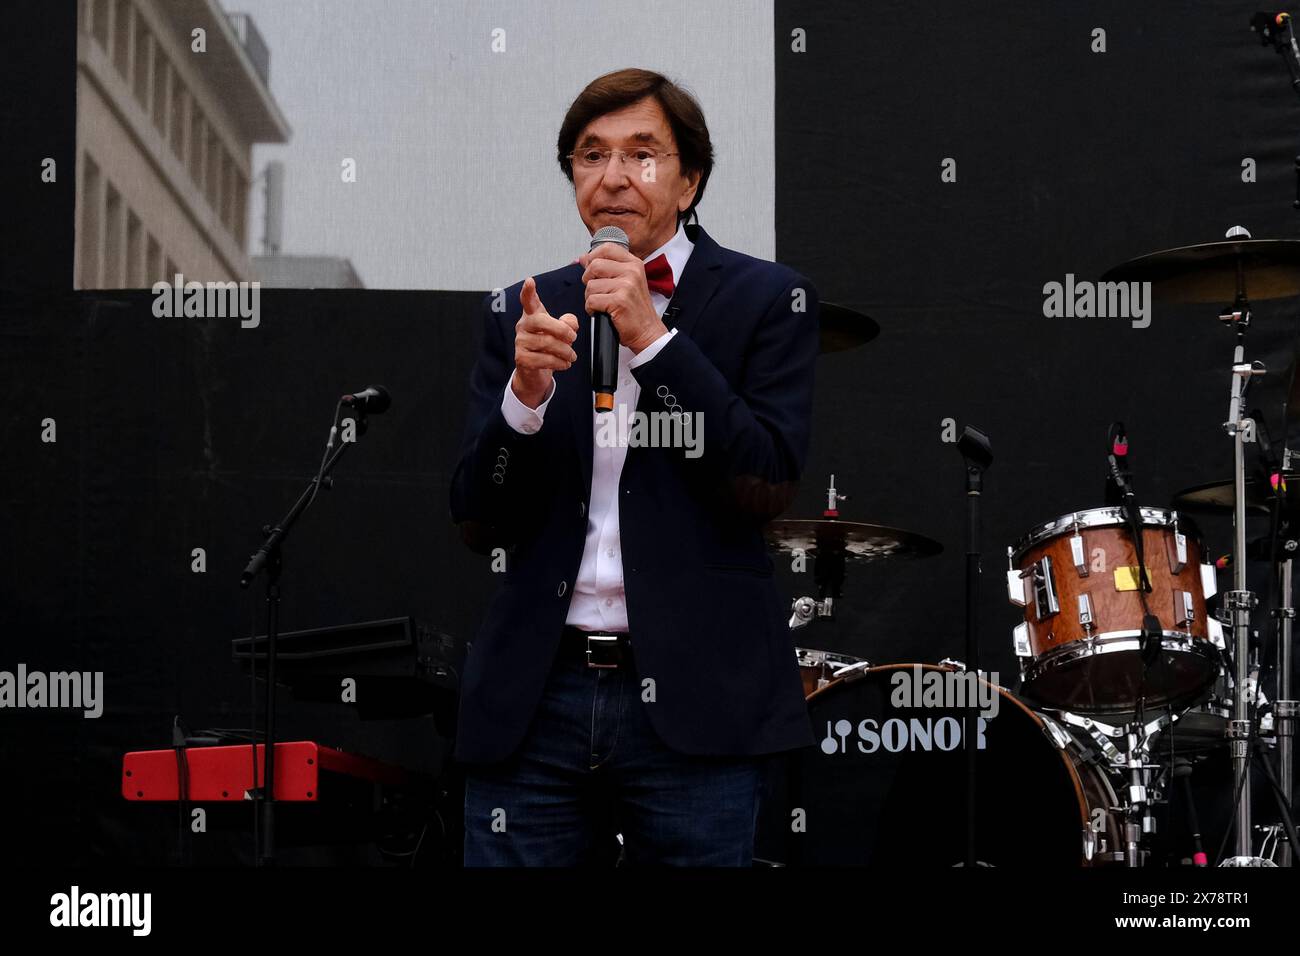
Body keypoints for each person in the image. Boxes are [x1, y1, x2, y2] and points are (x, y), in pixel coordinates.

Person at [450, 67, 820, 866]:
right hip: (536, 697)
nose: (614, 176)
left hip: (698, 701)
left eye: (643, 154)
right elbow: (478, 518)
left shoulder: (769, 299)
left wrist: (654, 340)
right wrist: (523, 398)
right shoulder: (528, 308)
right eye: (590, 156)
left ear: (690, 181)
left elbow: (764, 482)